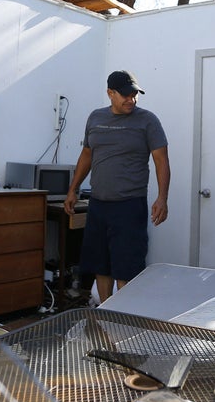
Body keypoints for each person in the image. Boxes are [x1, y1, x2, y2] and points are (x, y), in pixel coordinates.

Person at [64, 69, 170, 306]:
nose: (131, 100)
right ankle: (106, 313)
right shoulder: (95, 118)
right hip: (99, 205)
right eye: (125, 95)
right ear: (110, 93)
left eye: (134, 95)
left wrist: (162, 198)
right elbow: (87, 154)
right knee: (101, 266)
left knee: (126, 268)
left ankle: (123, 318)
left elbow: (161, 159)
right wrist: (73, 189)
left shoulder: (147, 121)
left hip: (130, 206)